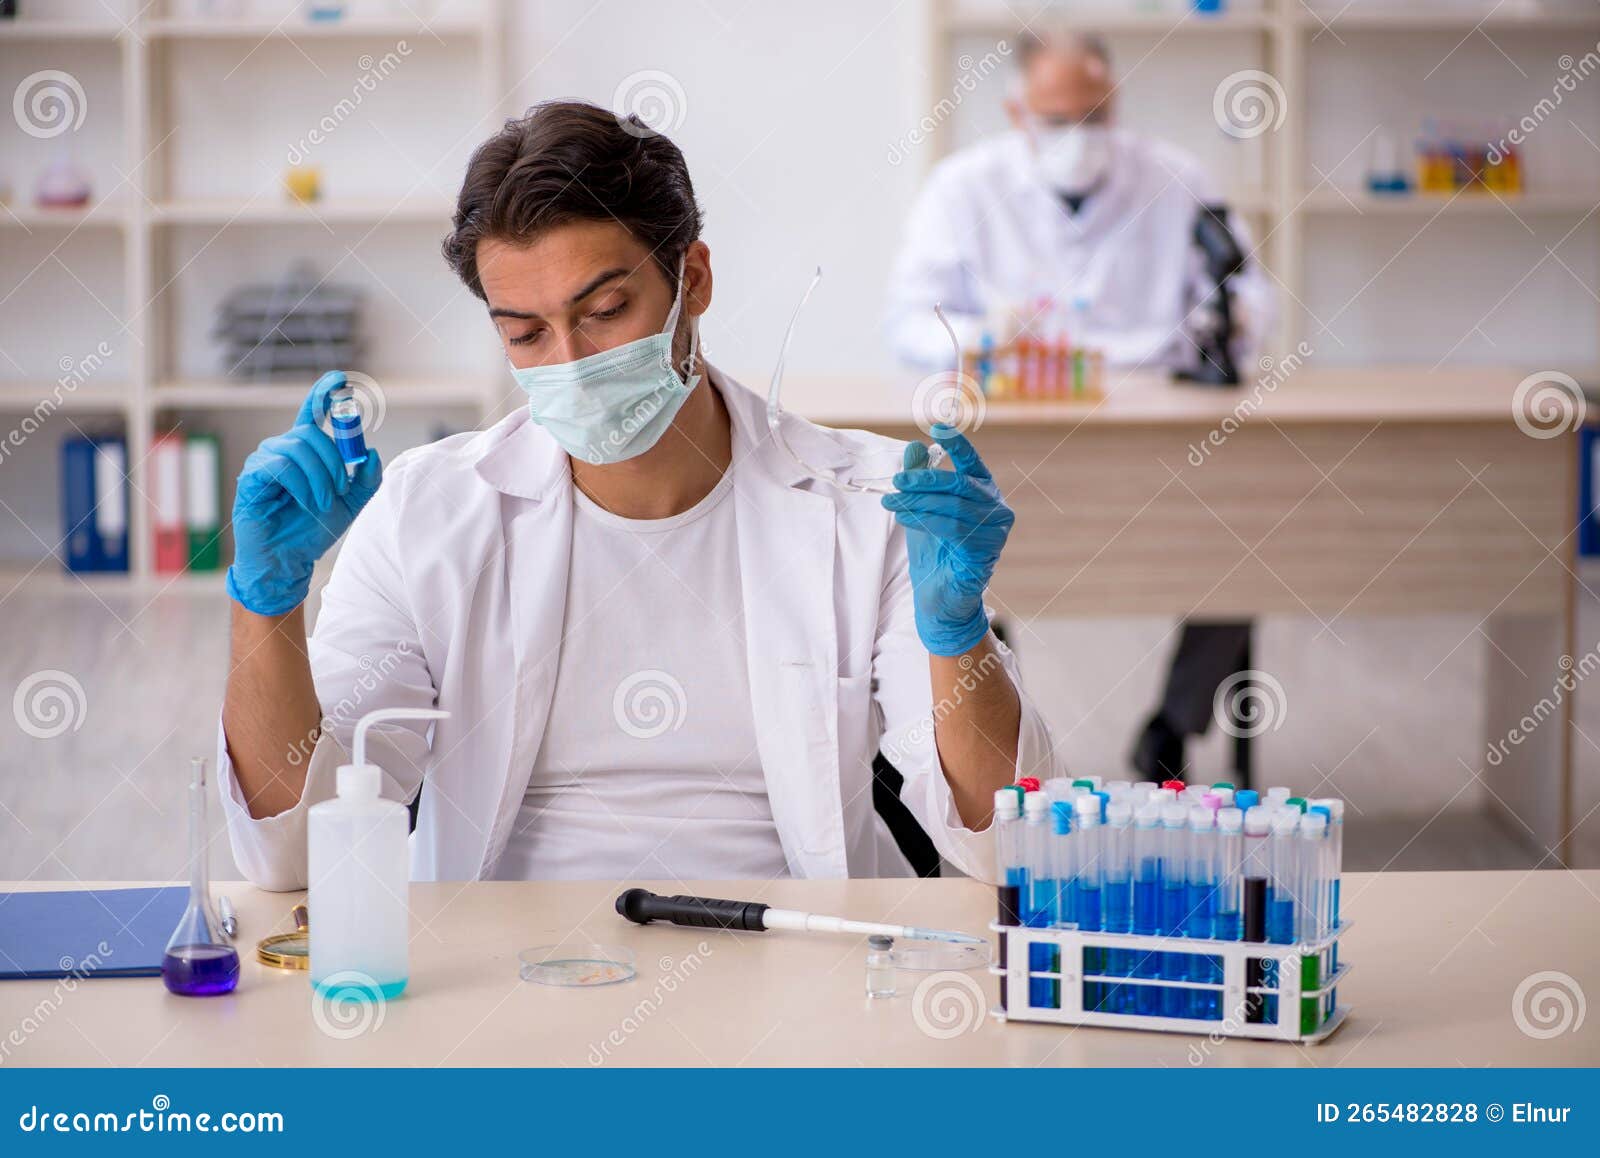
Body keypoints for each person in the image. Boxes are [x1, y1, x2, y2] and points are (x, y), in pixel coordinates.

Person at [218, 101, 1062, 889]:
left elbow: (1000, 843)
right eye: (526, 333)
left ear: (691, 280)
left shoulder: (869, 502)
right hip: (504, 978)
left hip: (796, 948)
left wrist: (958, 639)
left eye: (607, 310)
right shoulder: (427, 513)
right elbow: (292, 853)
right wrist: (266, 608)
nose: (572, 360)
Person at [884, 30, 1274, 782]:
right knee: (971, 562)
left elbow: (1252, 300)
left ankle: (1172, 728)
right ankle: (1005, 735)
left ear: (1116, 104)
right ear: (1015, 110)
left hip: (1162, 432)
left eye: (1094, 116)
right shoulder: (963, 188)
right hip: (1019, 436)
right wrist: (984, 335)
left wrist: (1213, 328)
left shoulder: (1177, 176)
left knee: (1245, 545)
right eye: (1057, 119)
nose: (1079, 138)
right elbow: (906, 324)